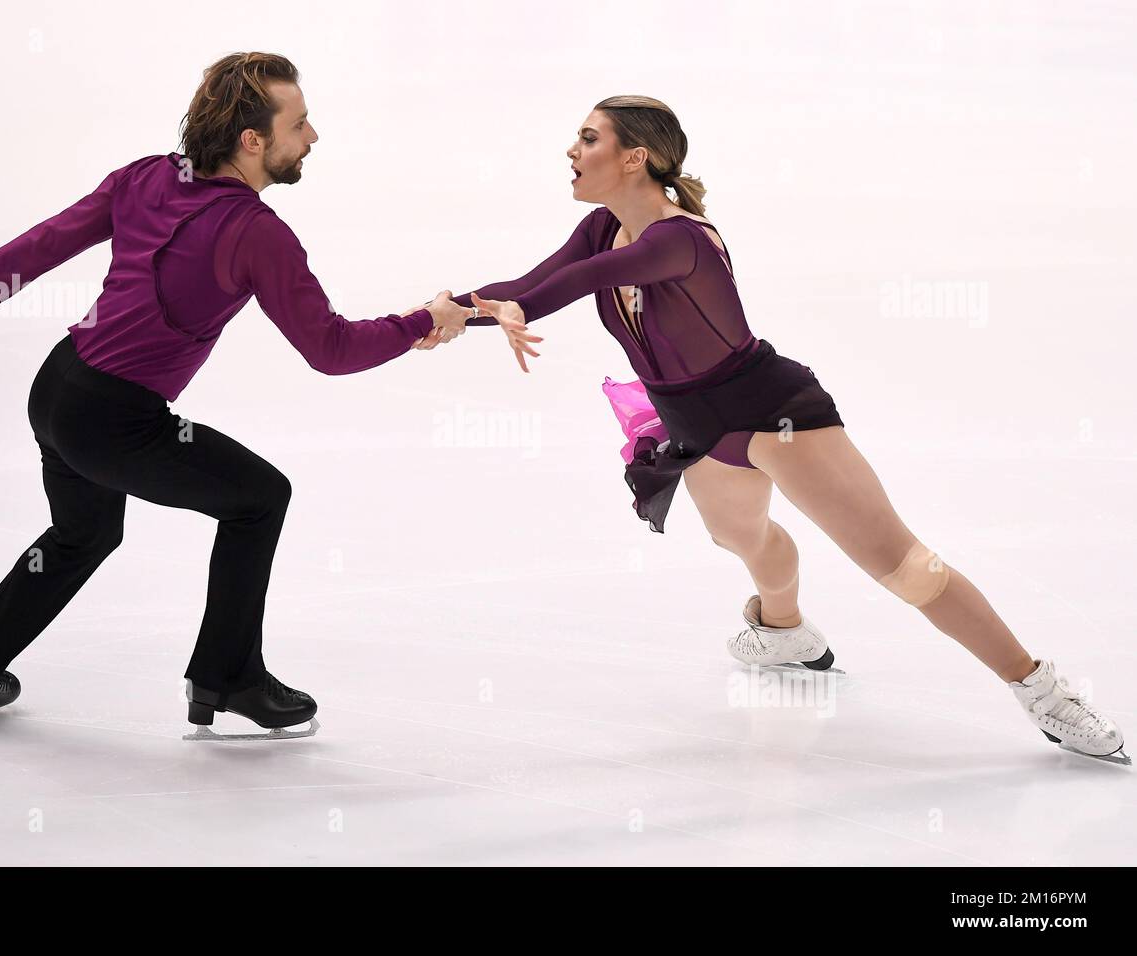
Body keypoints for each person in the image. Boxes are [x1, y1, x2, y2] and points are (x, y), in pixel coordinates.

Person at [431, 95, 1127, 764]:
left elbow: (577, 284)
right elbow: (529, 286)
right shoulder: (601, 227)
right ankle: (785, 630)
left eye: (589, 138)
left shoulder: (677, 240)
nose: (572, 150)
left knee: (908, 570)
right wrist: (426, 319)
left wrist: (503, 310)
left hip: (770, 412)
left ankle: (1041, 689)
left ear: (635, 156)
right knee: (740, 535)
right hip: (692, 419)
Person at [0, 52, 471, 739]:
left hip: (57, 387)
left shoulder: (150, 175)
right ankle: (227, 676)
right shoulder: (256, 233)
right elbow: (328, 350)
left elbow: (43, 244)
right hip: (112, 421)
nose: (313, 137)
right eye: (299, 124)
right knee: (258, 498)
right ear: (252, 141)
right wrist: (424, 320)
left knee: (84, 531)